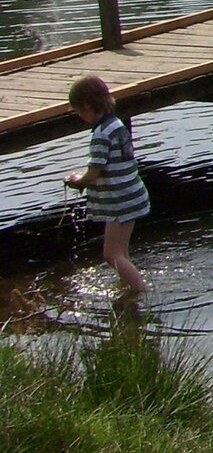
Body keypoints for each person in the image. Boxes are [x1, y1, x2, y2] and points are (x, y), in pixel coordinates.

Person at [63, 75, 149, 295]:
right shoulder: (117, 124)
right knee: (122, 252)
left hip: (120, 202)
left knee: (111, 255)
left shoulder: (100, 134)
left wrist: (77, 181)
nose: (80, 116)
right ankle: (129, 285)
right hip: (132, 194)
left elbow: (94, 171)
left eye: (79, 112)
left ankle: (139, 291)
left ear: (88, 106)